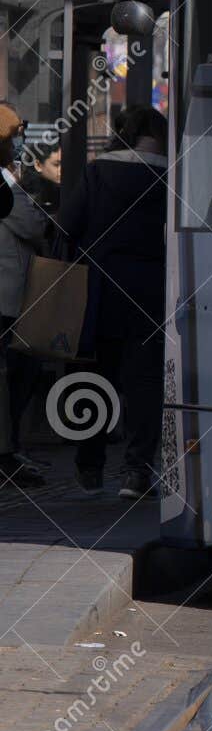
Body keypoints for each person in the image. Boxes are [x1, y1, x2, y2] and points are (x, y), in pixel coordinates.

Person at [65, 107, 168, 498]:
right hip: (150, 291)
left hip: (99, 288)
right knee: (144, 382)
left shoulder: (98, 171)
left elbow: (69, 225)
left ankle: (89, 465)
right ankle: (136, 472)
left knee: (94, 375)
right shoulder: (171, 175)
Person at [0, 104, 49, 488]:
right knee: (17, 374)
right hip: (8, 295)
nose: (19, 141)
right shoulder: (5, 183)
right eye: (15, 134)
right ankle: (7, 451)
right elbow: (33, 225)